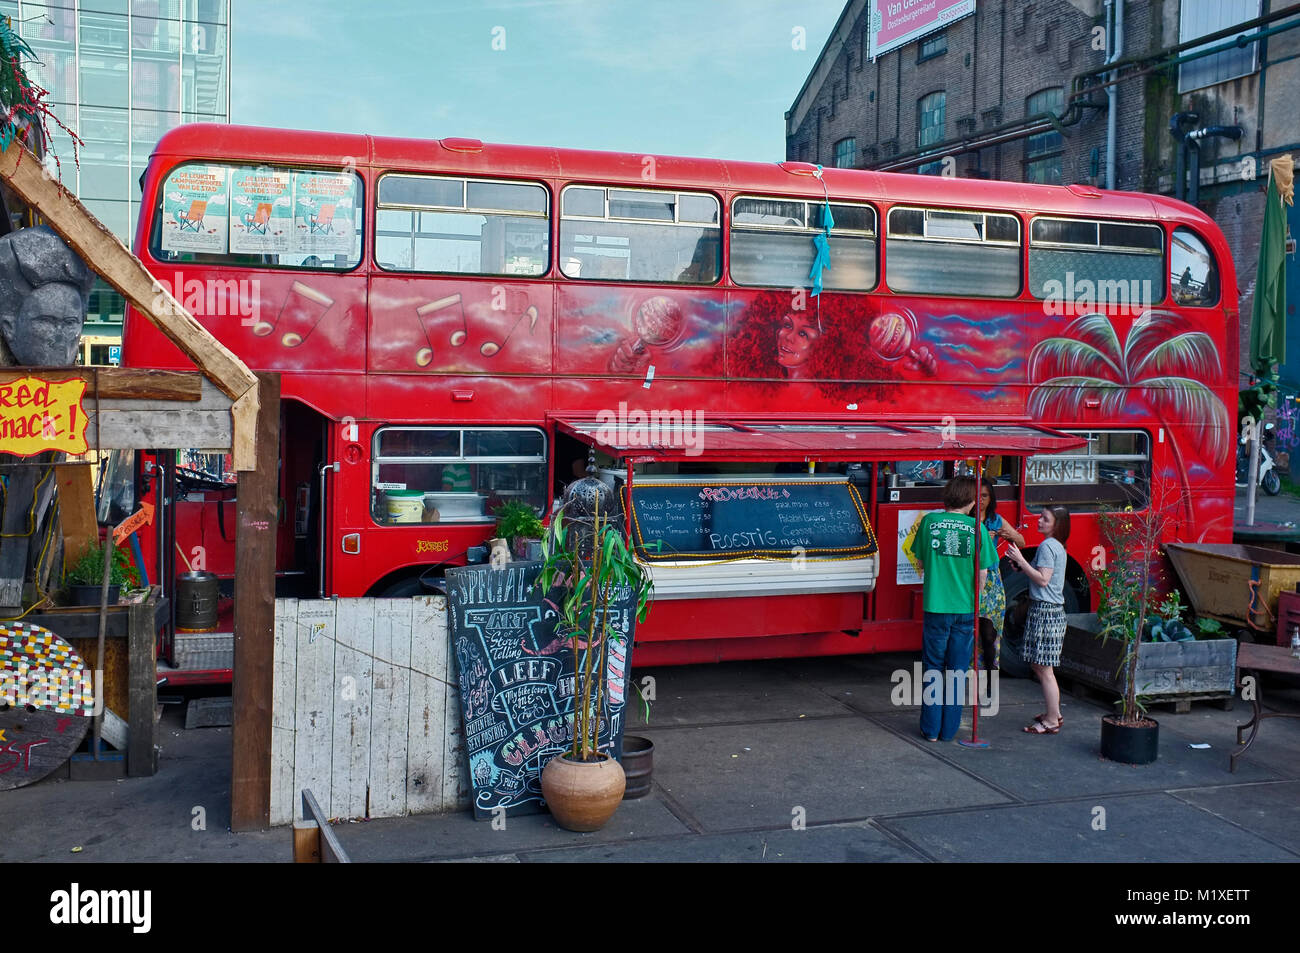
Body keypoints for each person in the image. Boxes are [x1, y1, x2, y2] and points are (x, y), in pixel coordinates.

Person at [905, 475, 997, 742]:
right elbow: (983, 574)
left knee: (933, 667)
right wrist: (973, 600)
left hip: (936, 606)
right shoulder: (976, 528)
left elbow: (920, 562)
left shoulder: (929, 523)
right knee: (957, 669)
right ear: (969, 500)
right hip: (965, 609)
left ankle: (931, 730)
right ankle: (948, 731)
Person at [1005, 505, 1071, 734]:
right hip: (1049, 611)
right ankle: (1054, 713)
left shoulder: (1046, 546)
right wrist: (1022, 566)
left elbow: (1043, 580)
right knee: (1040, 665)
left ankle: (1052, 719)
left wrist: (1021, 562)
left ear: (1057, 525)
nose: (1039, 521)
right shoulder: (1056, 546)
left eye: (1045, 519)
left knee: (1044, 669)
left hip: (1045, 611)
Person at [977, 475, 1026, 672]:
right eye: (977, 495)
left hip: (990, 579)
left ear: (991, 499)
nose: (980, 499)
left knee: (990, 633)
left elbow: (1021, 541)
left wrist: (1008, 534)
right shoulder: (965, 518)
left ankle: (989, 676)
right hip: (967, 577)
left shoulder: (995, 520)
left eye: (985, 496)